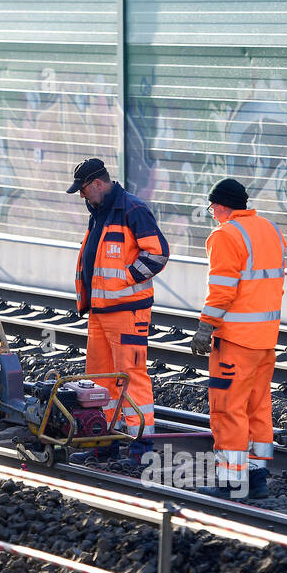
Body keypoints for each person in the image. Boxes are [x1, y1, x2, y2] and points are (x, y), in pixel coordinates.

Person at [190, 179, 286, 499]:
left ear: (220, 206)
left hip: (234, 342)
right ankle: (257, 477)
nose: (212, 214)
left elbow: (221, 290)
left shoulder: (225, 235)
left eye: (212, 208)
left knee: (228, 409)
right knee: (258, 407)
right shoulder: (270, 229)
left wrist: (206, 327)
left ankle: (231, 481)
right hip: (266, 340)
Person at [68, 158, 168, 454]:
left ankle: (142, 446)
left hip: (127, 311)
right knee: (100, 380)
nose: (82, 197)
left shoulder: (131, 209)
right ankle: (105, 442)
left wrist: (124, 279)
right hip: (101, 311)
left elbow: (158, 254)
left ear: (97, 184)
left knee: (131, 377)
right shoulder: (101, 211)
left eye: (83, 190)